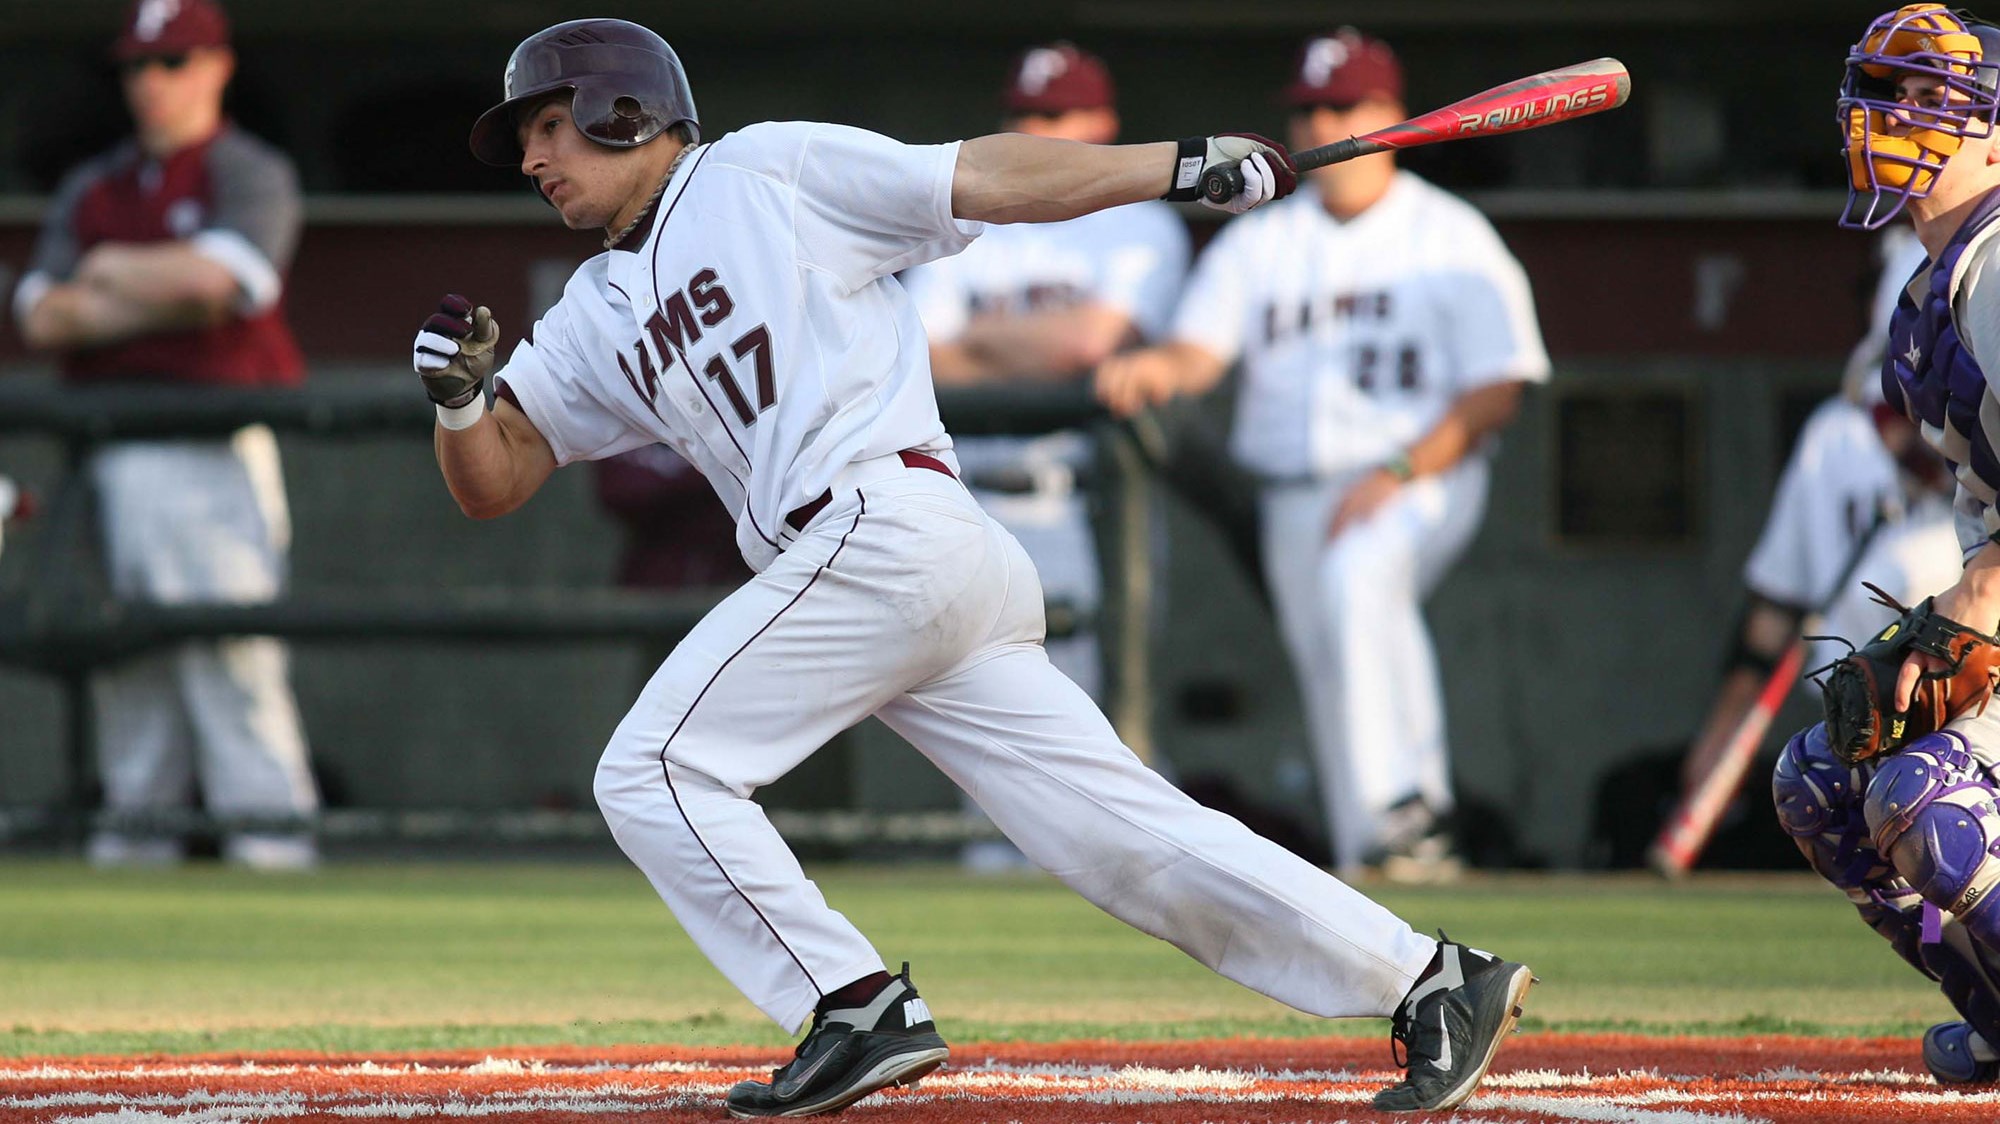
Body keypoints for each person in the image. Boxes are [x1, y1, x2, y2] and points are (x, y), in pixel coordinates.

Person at [412, 19, 1533, 1117]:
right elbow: (496, 477)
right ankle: (1430, 979)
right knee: (1126, 840)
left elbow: (978, 178)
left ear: (626, 109)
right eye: (525, 139)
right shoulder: (595, 306)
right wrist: (461, 400)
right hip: (898, 562)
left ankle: (852, 1002)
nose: (531, 159)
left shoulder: (759, 170)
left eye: (551, 125)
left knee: (652, 767)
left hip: (884, 521)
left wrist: (1176, 165)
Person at [1095, 28, 1550, 881]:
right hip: (1291, 491)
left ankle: (1402, 812)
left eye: (1343, 104)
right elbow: (1198, 352)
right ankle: (1385, 859)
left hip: (1417, 471)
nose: (1322, 119)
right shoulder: (1262, 239)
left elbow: (1501, 387)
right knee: (1332, 655)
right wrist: (1155, 365)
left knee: (1358, 578)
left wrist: (1402, 470)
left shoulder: (1449, 234)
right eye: (1309, 107)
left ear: (1390, 114)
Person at [11, 0, 318, 870]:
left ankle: (277, 868)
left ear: (216, 65)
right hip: (109, 456)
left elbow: (222, 286)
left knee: (236, 674)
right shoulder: (94, 184)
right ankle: (131, 876)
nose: (152, 84)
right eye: (139, 68)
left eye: (172, 64)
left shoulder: (248, 171)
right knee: (126, 679)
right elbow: (42, 314)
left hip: (212, 451)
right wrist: (151, 286)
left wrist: (106, 272)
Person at [1775, 1, 2000, 1087]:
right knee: (1821, 776)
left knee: (1919, 800)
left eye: (1932, 97)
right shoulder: (1937, 279)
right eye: (1886, 92)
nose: (1895, 116)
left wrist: (1980, 592)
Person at [899, 43, 1189, 871]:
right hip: (970, 492)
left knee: (1094, 720)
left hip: (1084, 500)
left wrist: (982, 343)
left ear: (1104, 125)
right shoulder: (969, 224)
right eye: (1026, 117)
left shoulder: (1141, 223)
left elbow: (1095, 344)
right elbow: (920, 353)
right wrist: (1035, 345)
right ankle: (1006, 903)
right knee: (978, 718)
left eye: (1059, 117)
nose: (1040, 131)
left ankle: (1128, 886)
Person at [1675, 229, 1956, 811]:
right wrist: (1720, 743)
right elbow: (1776, 609)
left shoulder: (1984, 442)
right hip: (1868, 734)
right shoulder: (1839, 436)